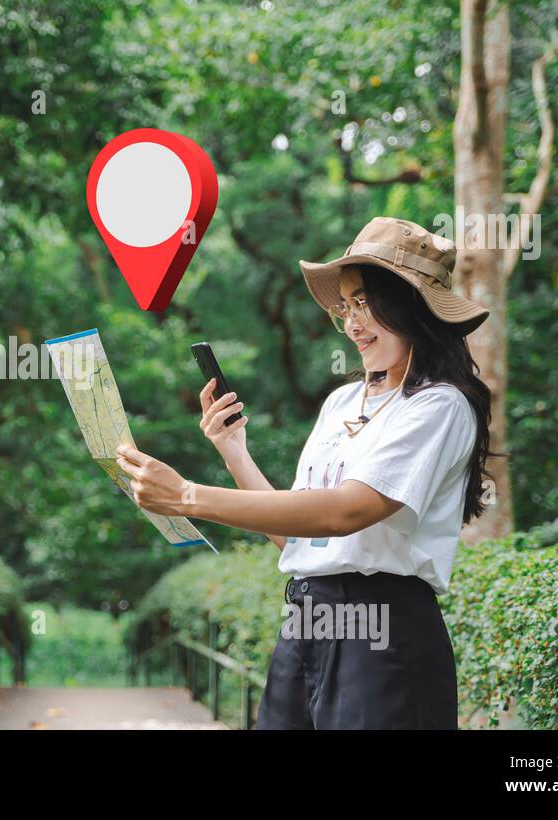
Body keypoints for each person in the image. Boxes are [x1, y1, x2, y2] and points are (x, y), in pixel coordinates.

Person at [115, 216, 495, 729]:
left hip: (381, 634)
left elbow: (346, 511)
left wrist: (186, 496)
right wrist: (234, 452)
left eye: (364, 302)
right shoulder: (341, 401)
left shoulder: (440, 405)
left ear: (410, 304)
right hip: (305, 619)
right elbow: (299, 537)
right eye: (345, 307)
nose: (353, 324)